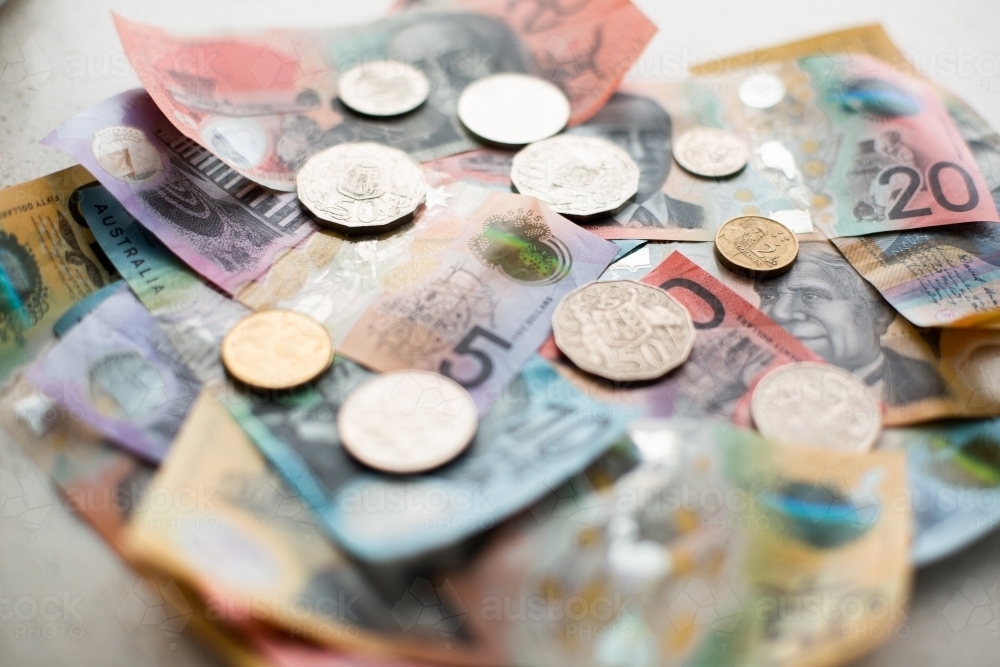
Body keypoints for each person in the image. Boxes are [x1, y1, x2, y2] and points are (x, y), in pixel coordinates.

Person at [753, 243, 945, 405]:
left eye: (811, 295)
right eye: (769, 296)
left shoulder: (936, 384)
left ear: (880, 316)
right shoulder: (740, 373)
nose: (780, 312)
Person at [568, 92, 704, 229]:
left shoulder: (702, 217)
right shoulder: (568, 223)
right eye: (616, 139)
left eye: (653, 137)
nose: (640, 154)